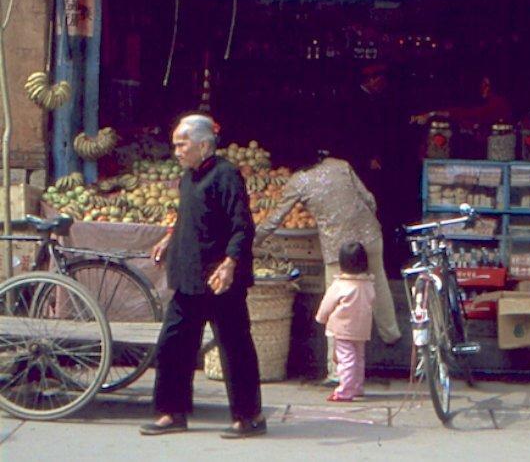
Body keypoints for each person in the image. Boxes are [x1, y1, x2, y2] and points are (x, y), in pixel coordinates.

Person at [140, 113, 266, 440]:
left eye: (183, 144)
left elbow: (242, 226)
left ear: (204, 145)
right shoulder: (188, 176)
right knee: (173, 345)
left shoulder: (226, 176)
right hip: (188, 277)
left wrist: (230, 264)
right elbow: (187, 215)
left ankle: (248, 417)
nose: (178, 151)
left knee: (234, 347)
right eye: (176, 145)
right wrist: (169, 238)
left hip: (220, 279)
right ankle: (172, 412)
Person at [253, 148, 401, 380]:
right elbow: (368, 199)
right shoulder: (341, 164)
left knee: (336, 306)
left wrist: (252, 241)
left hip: (338, 248)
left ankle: (337, 371)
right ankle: (391, 333)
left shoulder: (298, 181)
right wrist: (366, 221)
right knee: (378, 282)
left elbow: (275, 218)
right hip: (369, 235)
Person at [315, 241, 375, 402]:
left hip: (342, 329)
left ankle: (345, 390)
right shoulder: (368, 284)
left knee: (346, 359)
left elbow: (327, 304)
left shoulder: (340, 285)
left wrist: (321, 318)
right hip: (362, 329)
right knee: (358, 358)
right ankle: (357, 386)